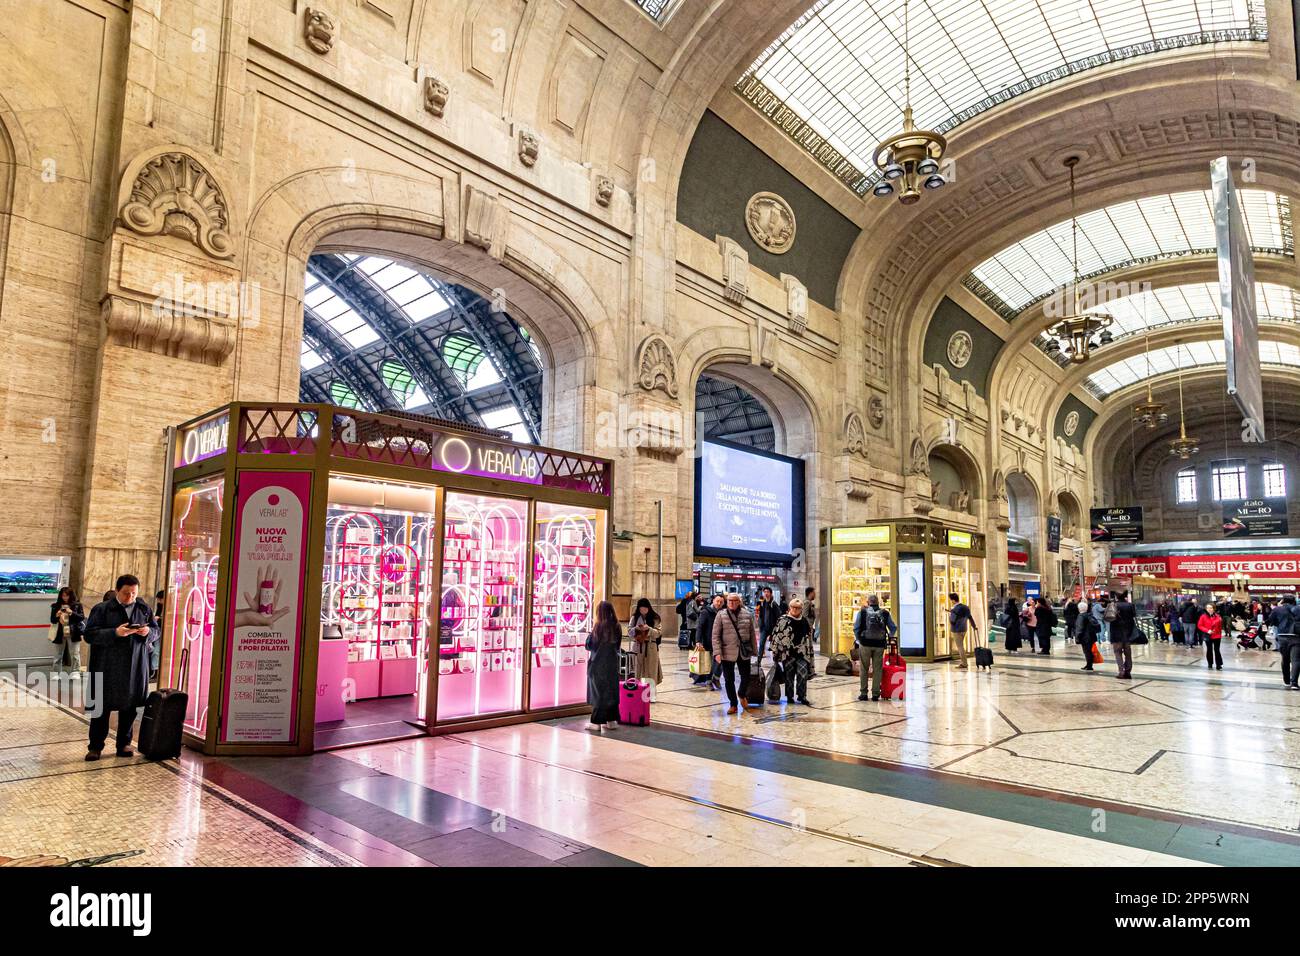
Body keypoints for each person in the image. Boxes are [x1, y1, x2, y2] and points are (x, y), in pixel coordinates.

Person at [83, 574, 159, 760]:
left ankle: (124, 744)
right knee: (101, 708)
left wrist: (148, 632)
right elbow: (89, 635)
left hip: (134, 666)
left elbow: (156, 631)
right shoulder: (102, 609)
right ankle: (95, 746)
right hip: (106, 666)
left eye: (133, 593)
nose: (130, 597)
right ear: (117, 591)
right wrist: (115, 632)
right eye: (126, 593)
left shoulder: (143, 608)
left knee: (129, 707)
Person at [712, 592, 756, 715]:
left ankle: (741, 694)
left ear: (739, 602)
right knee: (728, 679)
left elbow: (752, 633)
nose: (731, 603)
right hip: (727, 651)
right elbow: (715, 636)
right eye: (729, 601)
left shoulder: (747, 614)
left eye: (734, 601)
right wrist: (717, 652)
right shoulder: (721, 615)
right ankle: (733, 704)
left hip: (743, 651)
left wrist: (755, 650)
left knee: (746, 676)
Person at [585, 601, 622, 731]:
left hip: (597, 665)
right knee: (611, 692)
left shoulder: (598, 627)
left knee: (598, 693)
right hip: (611, 664)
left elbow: (589, 645)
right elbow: (617, 646)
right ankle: (611, 720)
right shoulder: (617, 626)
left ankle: (596, 722)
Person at [769, 598, 814, 705]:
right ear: (790, 608)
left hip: (802, 653)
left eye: (798, 608)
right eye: (793, 607)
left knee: (802, 674)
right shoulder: (783, 620)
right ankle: (789, 696)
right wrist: (775, 652)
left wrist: (809, 651)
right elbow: (776, 636)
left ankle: (802, 696)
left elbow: (808, 637)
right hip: (787, 653)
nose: (795, 610)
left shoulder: (804, 621)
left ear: (801, 609)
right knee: (789, 676)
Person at [853, 594, 897, 701]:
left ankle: (863, 693)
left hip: (865, 644)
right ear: (878, 602)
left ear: (868, 602)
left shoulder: (862, 612)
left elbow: (856, 628)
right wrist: (888, 638)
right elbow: (893, 627)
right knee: (877, 669)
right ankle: (875, 694)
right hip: (879, 645)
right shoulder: (885, 613)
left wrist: (859, 640)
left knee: (864, 668)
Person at [48, 587, 85, 677]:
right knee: (58, 654)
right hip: (59, 632)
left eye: (67, 596)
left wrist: (71, 612)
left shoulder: (77, 605)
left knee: (75, 653)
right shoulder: (56, 606)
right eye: (63, 595)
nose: (65, 598)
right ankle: (56, 673)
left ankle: (75, 672)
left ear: (71, 596)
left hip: (73, 632)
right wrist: (57, 615)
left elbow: (81, 617)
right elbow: (52, 620)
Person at [627, 598, 663, 690]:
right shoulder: (634, 618)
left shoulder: (655, 618)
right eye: (641, 609)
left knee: (651, 670)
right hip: (637, 646)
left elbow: (658, 633)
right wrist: (636, 629)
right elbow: (629, 631)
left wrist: (649, 629)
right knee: (636, 670)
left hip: (651, 647)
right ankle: (637, 691)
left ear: (649, 608)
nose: (643, 611)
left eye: (645, 609)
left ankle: (651, 694)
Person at [1268, 595, 1299, 689]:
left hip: (1282, 637)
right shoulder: (1298, 609)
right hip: (1296, 637)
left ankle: (1286, 681)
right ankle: (1294, 683)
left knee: (1285, 660)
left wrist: (1281, 625)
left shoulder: (1277, 609)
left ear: (1283, 601)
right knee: (1296, 660)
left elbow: (1271, 621)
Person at [695, 593, 724, 689]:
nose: (719, 603)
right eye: (717, 601)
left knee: (721, 662)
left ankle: (716, 678)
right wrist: (698, 641)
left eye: (721, 602)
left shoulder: (723, 613)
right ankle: (708, 681)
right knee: (710, 663)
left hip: (721, 642)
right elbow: (700, 627)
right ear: (713, 601)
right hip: (708, 641)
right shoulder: (706, 612)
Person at [1110, 590, 1137, 680]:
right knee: (1128, 653)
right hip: (1128, 633)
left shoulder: (1113, 605)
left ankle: (1121, 672)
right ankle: (1128, 672)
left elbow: (1108, 618)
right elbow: (1134, 616)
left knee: (1118, 652)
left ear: (1117, 597)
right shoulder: (1130, 605)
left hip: (1116, 633)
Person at [754, 586, 785, 660]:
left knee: (774, 646)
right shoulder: (762, 603)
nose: (766, 593)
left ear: (771, 594)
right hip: (764, 627)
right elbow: (760, 614)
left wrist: (776, 627)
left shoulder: (774, 604)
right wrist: (760, 623)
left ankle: (776, 662)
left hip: (772, 628)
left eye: (768, 592)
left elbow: (778, 616)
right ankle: (759, 661)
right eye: (765, 592)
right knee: (761, 644)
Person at [948, 592, 976, 669]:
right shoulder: (965, 607)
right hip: (964, 629)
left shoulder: (955, 609)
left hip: (956, 629)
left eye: (951, 600)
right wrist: (974, 626)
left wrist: (949, 615)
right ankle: (964, 662)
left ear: (953, 600)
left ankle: (964, 663)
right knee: (961, 646)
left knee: (960, 647)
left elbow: (952, 621)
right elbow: (970, 617)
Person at [1074, 599, 1100, 671]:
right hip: (1091, 636)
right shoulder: (1089, 615)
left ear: (1079, 608)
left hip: (1085, 637)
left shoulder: (1081, 616)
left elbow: (1080, 628)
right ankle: (1089, 664)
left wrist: (1077, 637)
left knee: (1087, 651)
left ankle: (1089, 665)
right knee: (1089, 651)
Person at [1198, 602, 1224, 670]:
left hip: (1217, 636)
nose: (1209, 609)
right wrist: (1207, 630)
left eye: (1211, 608)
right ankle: (1210, 663)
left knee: (1217, 650)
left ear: (1214, 609)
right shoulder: (1203, 616)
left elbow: (1220, 626)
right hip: (1208, 636)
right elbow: (1200, 625)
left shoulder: (1218, 616)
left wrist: (1220, 633)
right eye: (1208, 608)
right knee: (1209, 650)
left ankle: (1218, 664)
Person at [804, 587, 818, 677]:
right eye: (814, 593)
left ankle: (811, 670)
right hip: (807, 630)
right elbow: (804, 616)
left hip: (809, 629)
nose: (815, 594)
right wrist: (807, 629)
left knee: (810, 650)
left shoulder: (809, 603)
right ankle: (808, 670)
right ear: (810, 593)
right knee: (808, 650)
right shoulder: (807, 603)